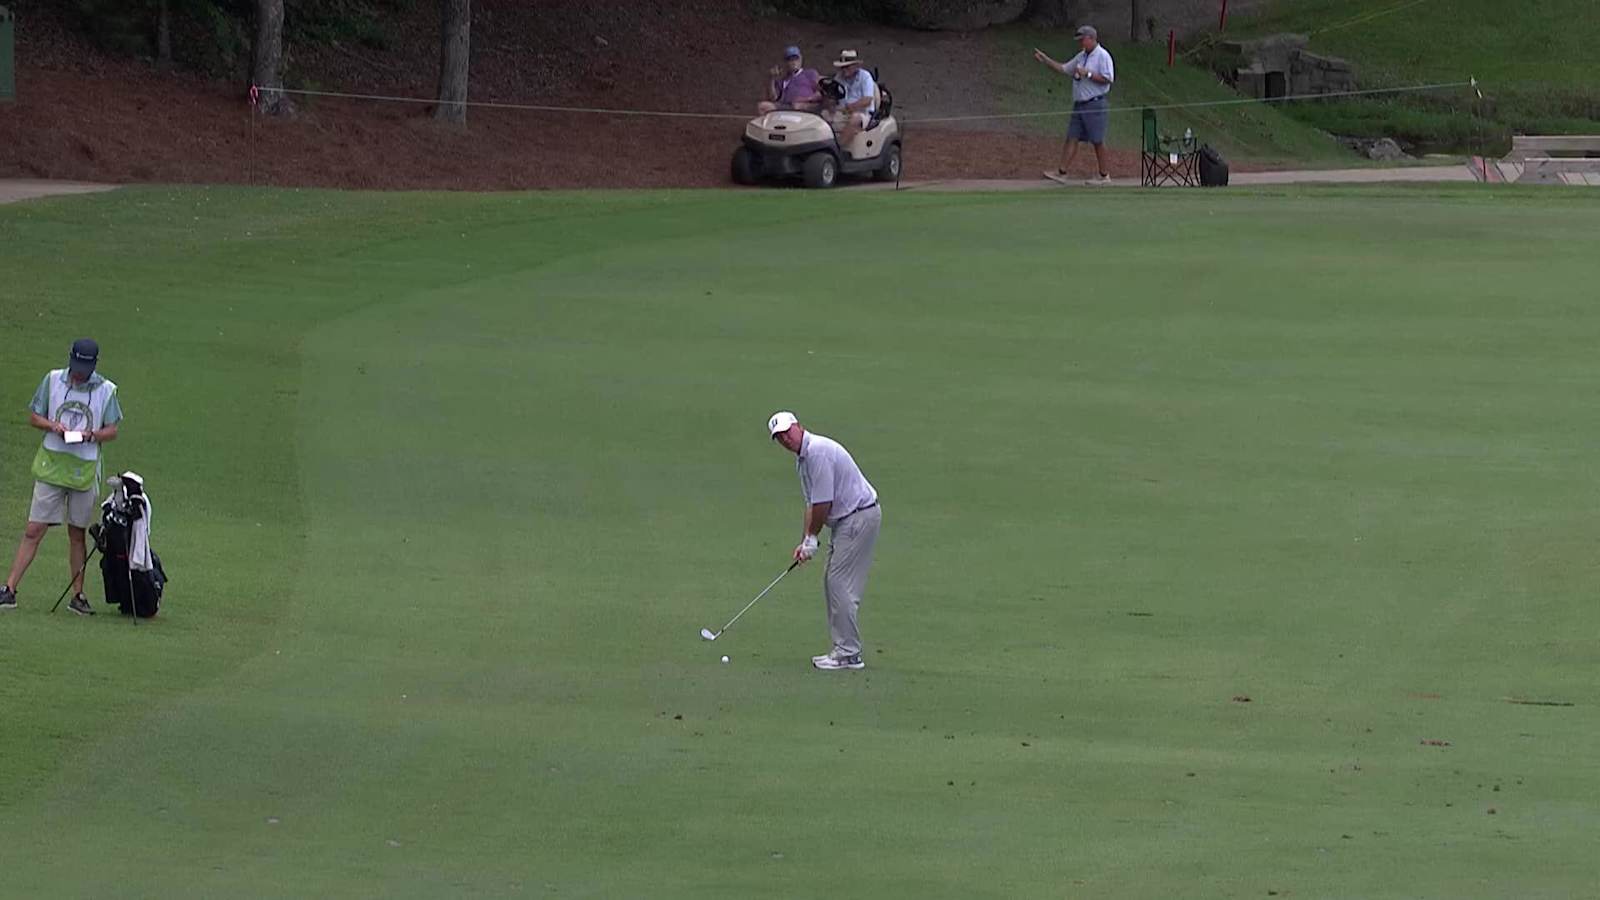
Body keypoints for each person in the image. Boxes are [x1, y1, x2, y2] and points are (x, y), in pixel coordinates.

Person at [0, 339, 123, 615]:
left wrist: (92, 435)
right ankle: (9, 590)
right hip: (52, 466)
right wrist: (52, 426)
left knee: (77, 533)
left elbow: (112, 430)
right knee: (34, 529)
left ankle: (78, 596)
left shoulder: (106, 390)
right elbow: (33, 416)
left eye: (85, 368)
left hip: (83, 470)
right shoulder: (53, 380)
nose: (79, 373)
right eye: (77, 366)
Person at [768, 411, 881, 672]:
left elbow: (823, 503)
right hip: (849, 520)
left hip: (858, 516)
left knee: (839, 582)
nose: (785, 439)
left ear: (798, 426)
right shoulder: (803, 460)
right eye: (779, 437)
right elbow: (811, 504)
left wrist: (812, 538)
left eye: (787, 432)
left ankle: (849, 653)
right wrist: (806, 539)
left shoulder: (817, 452)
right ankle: (844, 649)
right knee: (833, 580)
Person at [1033, 25, 1116, 185]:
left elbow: (1108, 78)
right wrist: (1046, 60)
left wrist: (1089, 74)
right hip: (1079, 104)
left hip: (1095, 103)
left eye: (1083, 40)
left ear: (1092, 38)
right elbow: (1064, 68)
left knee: (1097, 140)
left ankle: (1104, 175)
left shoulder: (1103, 56)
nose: (1081, 43)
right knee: (1072, 137)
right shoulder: (1082, 56)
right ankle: (1062, 172)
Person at [827, 49, 878, 153]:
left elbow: (867, 100)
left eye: (847, 67)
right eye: (842, 67)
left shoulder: (865, 77)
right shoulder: (838, 78)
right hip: (843, 111)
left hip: (863, 113)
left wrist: (850, 107)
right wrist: (830, 103)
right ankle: (823, 148)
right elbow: (833, 96)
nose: (844, 69)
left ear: (856, 66)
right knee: (823, 115)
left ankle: (837, 149)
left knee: (855, 119)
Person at [758, 45, 822, 114]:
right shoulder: (782, 80)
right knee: (763, 106)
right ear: (785, 62)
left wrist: (806, 99)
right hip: (787, 106)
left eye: (796, 58)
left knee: (798, 106)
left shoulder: (810, 74)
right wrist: (771, 79)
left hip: (806, 105)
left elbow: (821, 93)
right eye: (790, 59)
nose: (793, 62)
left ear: (800, 59)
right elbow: (774, 98)